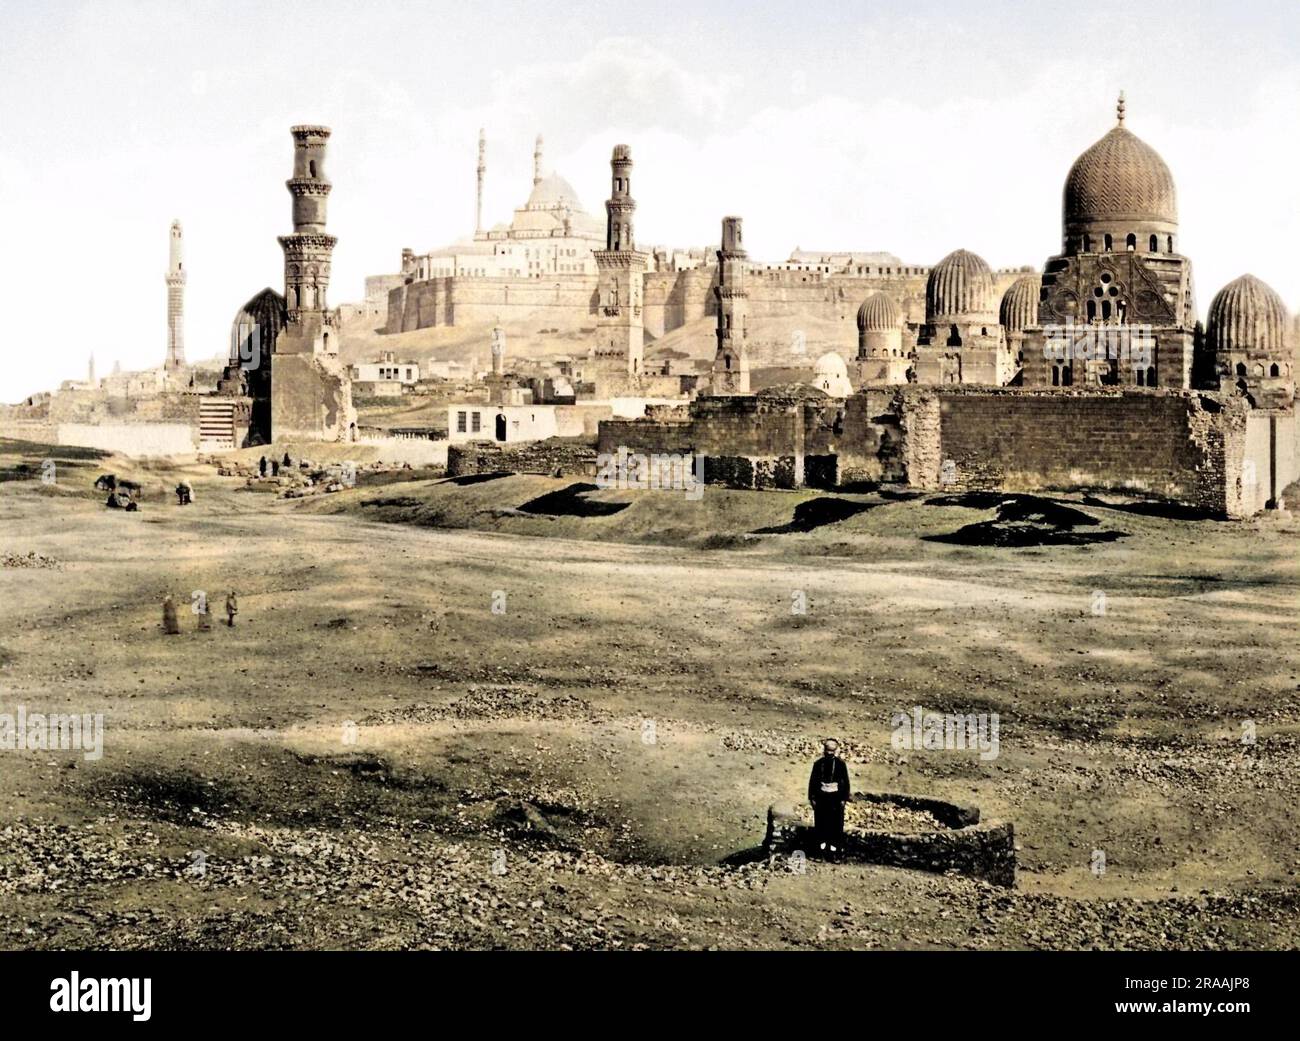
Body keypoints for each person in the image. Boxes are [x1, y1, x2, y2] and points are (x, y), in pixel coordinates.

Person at [807, 738, 850, 855]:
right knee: (821, 822)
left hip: (835, 798)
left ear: (836, 751)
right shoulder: (818, 764)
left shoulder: (840, 764)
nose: (829, 753)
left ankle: (835, 852)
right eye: (827, 750)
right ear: (824, 750)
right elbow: (813, 781)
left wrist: (843, 799)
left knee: (835, 824)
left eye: (832, 751)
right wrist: (812, 797)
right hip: (822, 797)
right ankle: (819, 851)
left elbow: (845, 782)